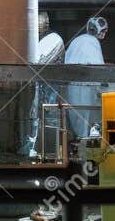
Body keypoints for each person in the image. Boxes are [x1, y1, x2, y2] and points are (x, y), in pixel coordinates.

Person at [25, 12, 65, 158]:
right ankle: (35, 150)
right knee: (36, 120)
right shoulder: (40, 41)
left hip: (51, 94)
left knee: (47, 123)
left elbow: (38, 64)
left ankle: (47, 153)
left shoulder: (53, 40)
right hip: (40, 92)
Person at [63, 15, 108, 140]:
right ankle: (84, 148)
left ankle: (78, 144)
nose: (104, 34)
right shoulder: (93, 42)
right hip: (87, 87)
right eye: (103, 31)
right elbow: (98, 67)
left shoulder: (77, 40)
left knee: (77, 119)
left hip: (72, 86)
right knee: (87, 119)